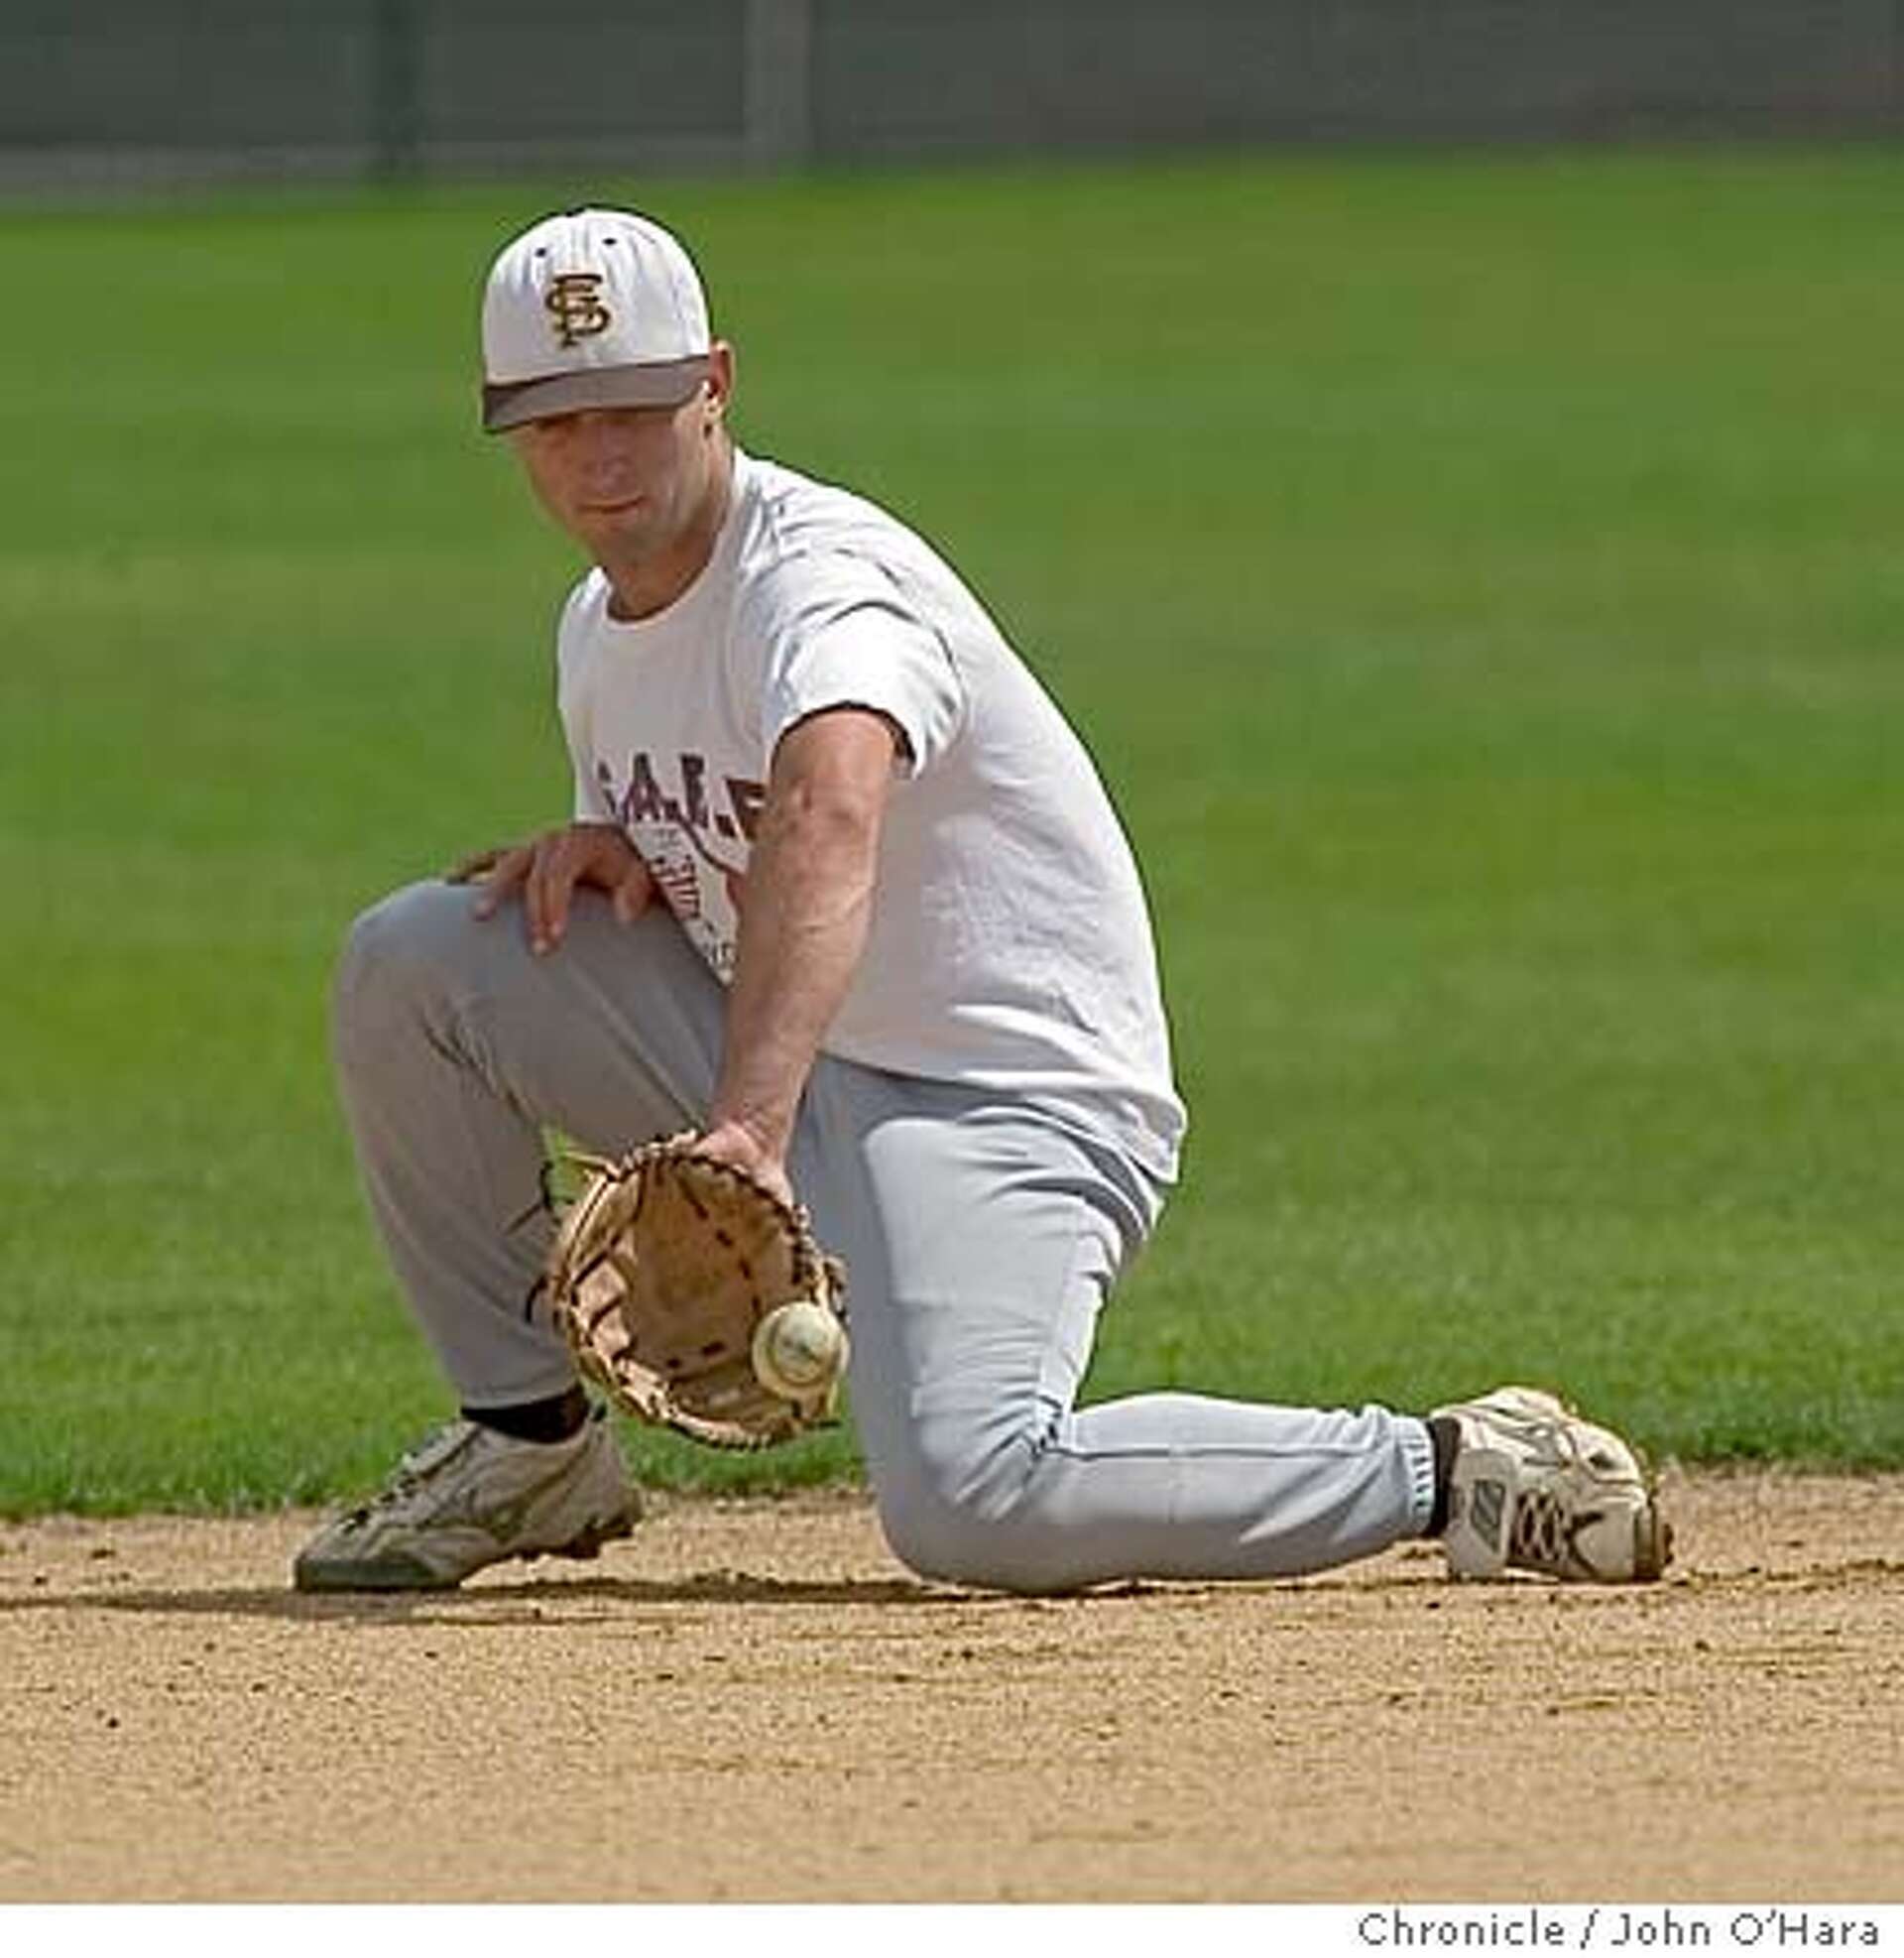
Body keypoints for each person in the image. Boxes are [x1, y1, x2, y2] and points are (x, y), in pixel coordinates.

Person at [295, 208, 1671, 1595]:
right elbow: (726, 834)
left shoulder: (826, 587)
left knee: (973, 1496)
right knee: (418, 962)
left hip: (1004, 1098)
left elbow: (830, 808)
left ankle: (1451, 1465)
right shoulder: (597, 626)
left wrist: (747, 1136)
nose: (599, 457)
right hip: (800, 1066)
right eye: (555, 420)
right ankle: (527, 1445)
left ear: (715, 383)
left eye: (636, 409)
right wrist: (615, 847)